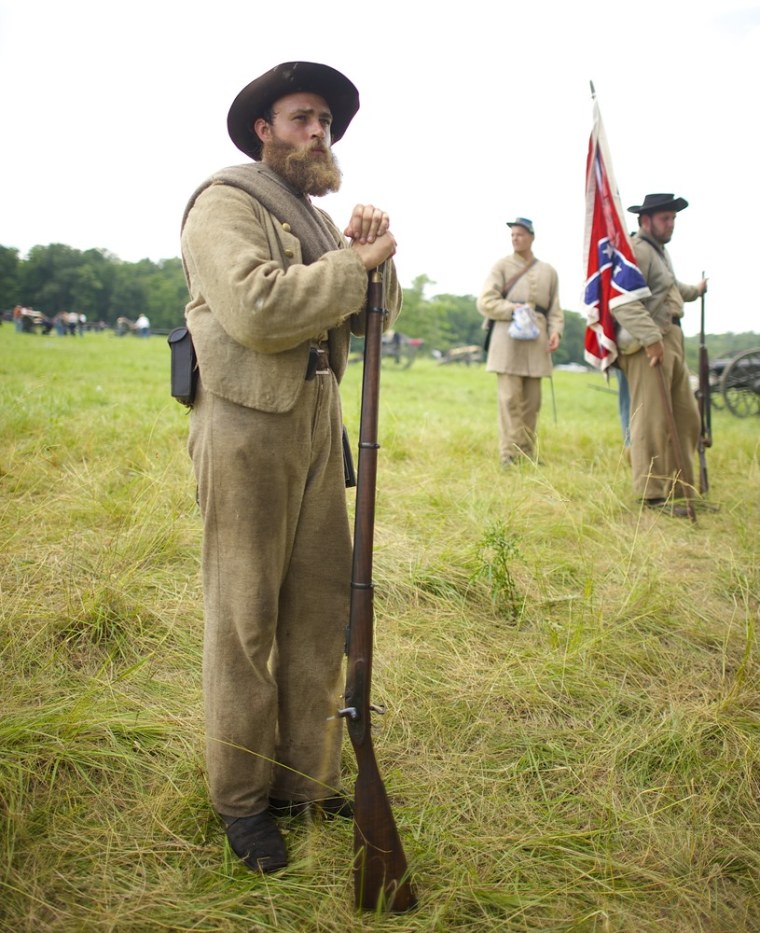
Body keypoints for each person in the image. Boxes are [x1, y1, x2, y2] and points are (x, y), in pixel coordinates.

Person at [180, 61, 400, 875]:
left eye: (327, 123)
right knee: (245, 616)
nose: (318, 132)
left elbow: (374, 313)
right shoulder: (223, 203)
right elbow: (260, 309)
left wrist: (372, 256)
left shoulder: (317, 218)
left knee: (316, 607)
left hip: (314, 420)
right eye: (303, 117)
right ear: (264, 130)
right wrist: (353, 264)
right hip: (244, 424)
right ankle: (241, 796)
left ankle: (304, 777)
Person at [613, 193, 707, 514]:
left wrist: (697, 290)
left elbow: (672, 287)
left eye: (673, 218)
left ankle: (680, 490)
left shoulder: (659, 252)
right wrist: (652, 338)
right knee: (651, 421)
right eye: (665, 218)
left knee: (686, 418)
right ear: (645, 220)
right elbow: (622, 301)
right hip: (648, 345)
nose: (671, 224)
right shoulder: (638, 250)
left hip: (670, 339)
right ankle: (651, 494)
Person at [476, 217, 563, 466]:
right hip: (507, 340)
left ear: (531, 237)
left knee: (532, 403)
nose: (516, 239)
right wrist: (511, 308)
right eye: (513, 235)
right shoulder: (501, 266)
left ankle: (527, 452)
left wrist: (556, 331)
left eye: (521, 234)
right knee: (510, 400)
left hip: (537, 341)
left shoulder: (548, 271)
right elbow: (485, 301)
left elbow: (555, 308)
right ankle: (509, 454)